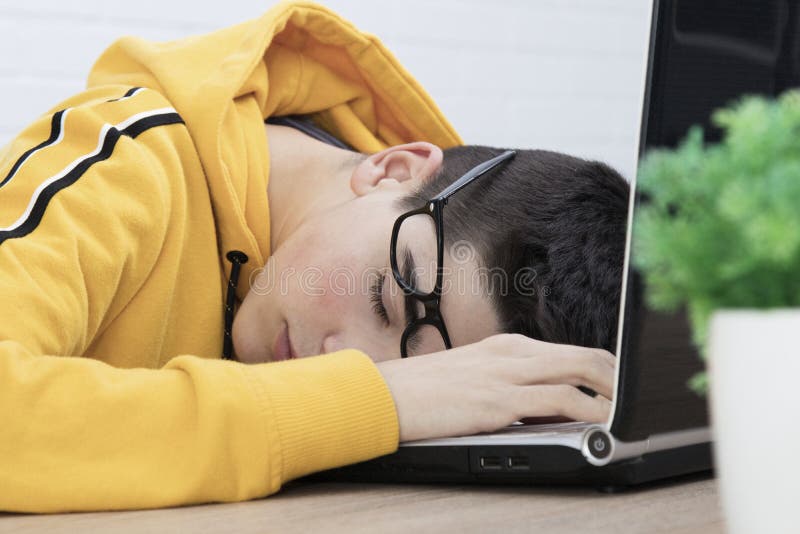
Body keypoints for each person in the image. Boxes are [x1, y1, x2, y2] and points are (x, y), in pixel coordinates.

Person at [0, 1, 628, 513]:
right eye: (387, 298)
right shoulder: (123, 168)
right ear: (393, 169)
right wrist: (375, 403)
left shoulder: (401, 234)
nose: (342, 363)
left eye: (421, 376)